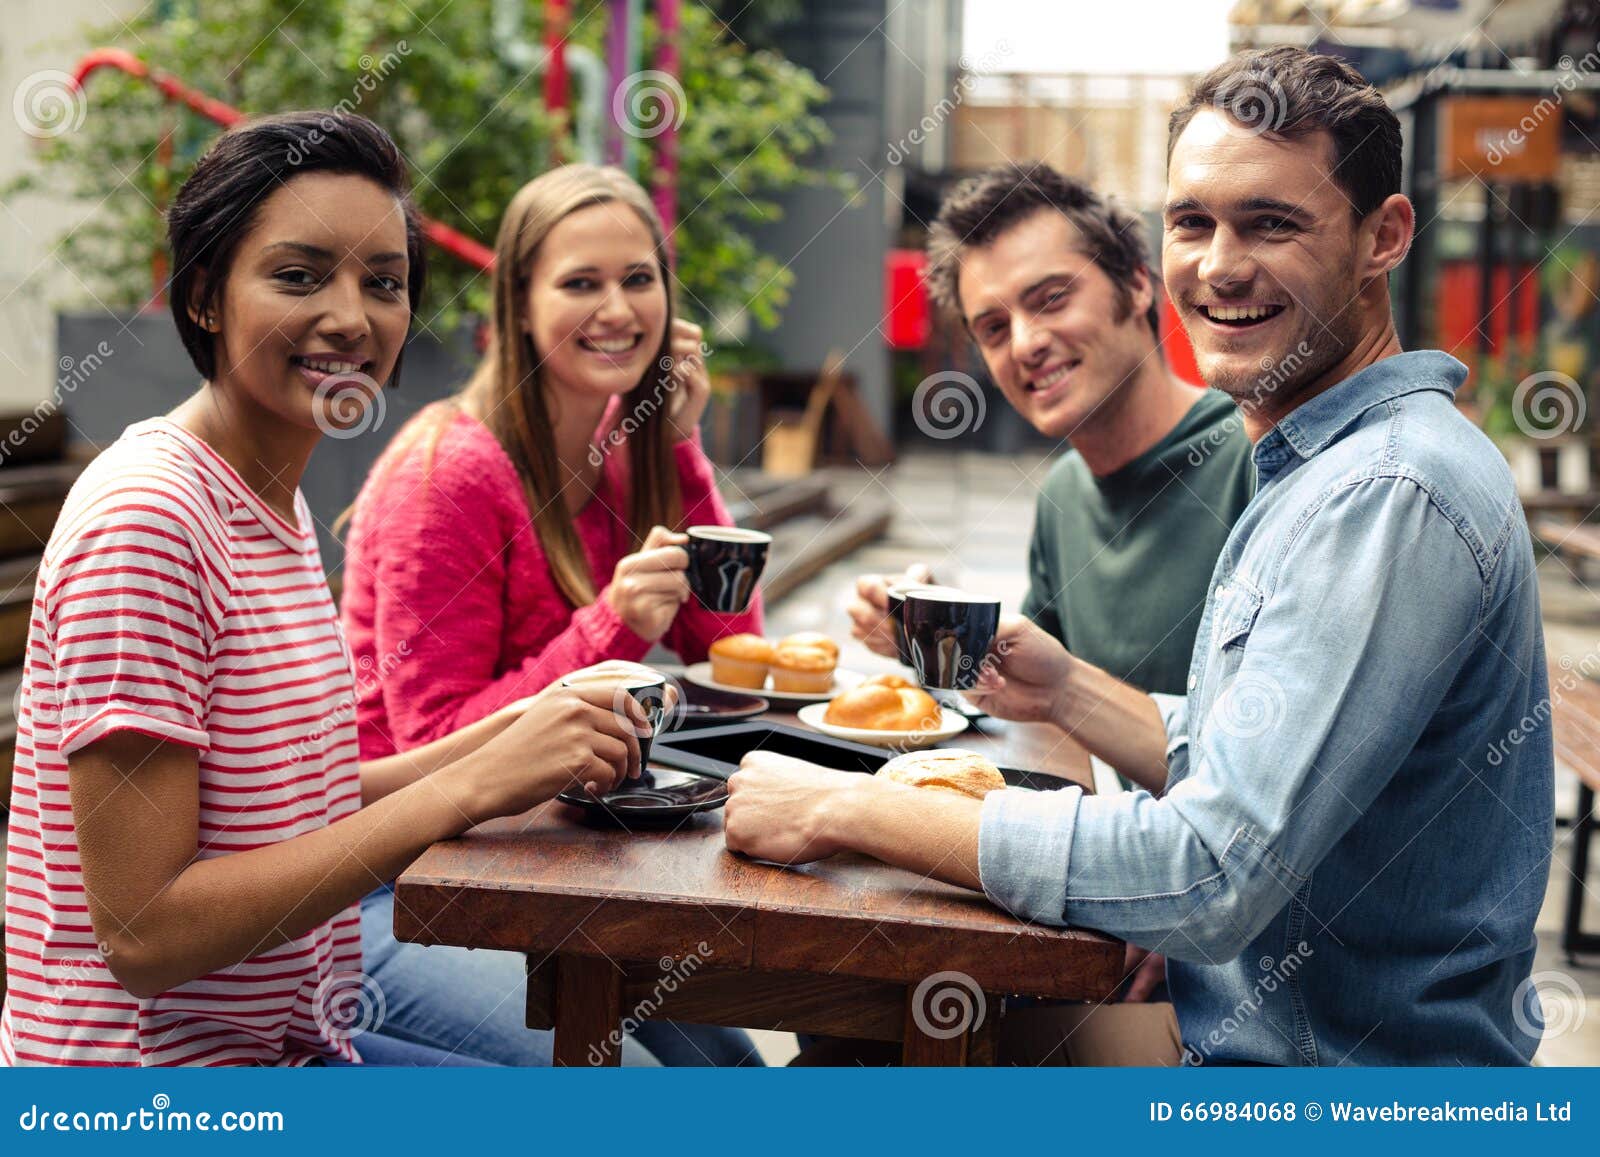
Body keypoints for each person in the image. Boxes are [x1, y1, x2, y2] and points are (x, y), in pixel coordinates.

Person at [726, 47, 1554, 1066]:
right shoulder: (1317, 466)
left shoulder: (1382, 492)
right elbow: (1242, 762)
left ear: (1383, 236)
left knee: (850, 1059)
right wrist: (1064, 683)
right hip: (1240, 1038)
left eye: (1272, 222)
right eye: (1192, 222)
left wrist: (844, 806)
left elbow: (1208, 872)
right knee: (850, 1037)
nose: (1218, 265)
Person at [0, 112, 658, 1066]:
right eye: (299, 275)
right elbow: (142, 933)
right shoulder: (149, 520)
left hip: (294, 1048)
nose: (352, 317)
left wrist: (523, 730)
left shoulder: (272, 501)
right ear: (205, 297)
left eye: (383, 283)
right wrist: (469, 784)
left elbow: (288, 799)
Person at [338, 163, 761, 1067]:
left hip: (538, 860)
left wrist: (680, 448)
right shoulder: (447, 474)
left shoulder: (621, 451)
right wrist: (607, 626)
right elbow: (435, 739)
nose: (617, 308)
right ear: (518, 306)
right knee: (635, 1083)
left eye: (637, 278)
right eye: (581, 283)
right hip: (387, 880)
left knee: (729, 1070)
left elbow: (734, 653)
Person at [849, 162, 1254, 699]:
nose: (1023, 344)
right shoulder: (1064, 491)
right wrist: (940, 626)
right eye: (994, 328)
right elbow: (1034, 699)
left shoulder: (1255, 461)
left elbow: (1264, 765)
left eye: (1051, 299)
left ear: (1137, 286)